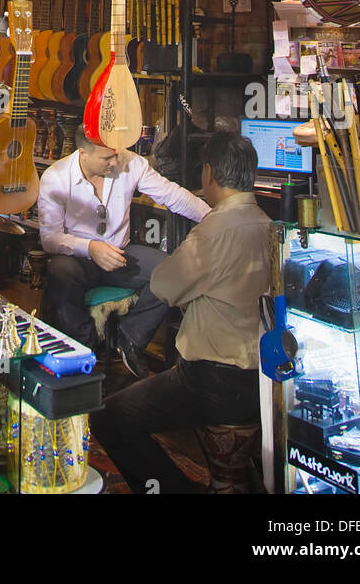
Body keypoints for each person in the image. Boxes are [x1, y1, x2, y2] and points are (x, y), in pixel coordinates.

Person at [89, 131, 273, 494]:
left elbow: (164, 285)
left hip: (211, 378)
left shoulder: (213, 231)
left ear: (210, 173)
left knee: (109, 419)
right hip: (263, 378)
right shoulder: (270, 226)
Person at [38, 126, 210, 376]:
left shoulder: (130, 163)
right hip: (78, 259)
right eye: (107, 158)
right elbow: (49, 239)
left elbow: (172, 195)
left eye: (116, 154)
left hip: (120, 255)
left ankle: (131, 337)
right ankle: (85, 350)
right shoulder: (55, 177)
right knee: (59, 270)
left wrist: (214, 217)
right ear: (83, 153)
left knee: (175, 271)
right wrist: (91, 248)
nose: (115, 161)